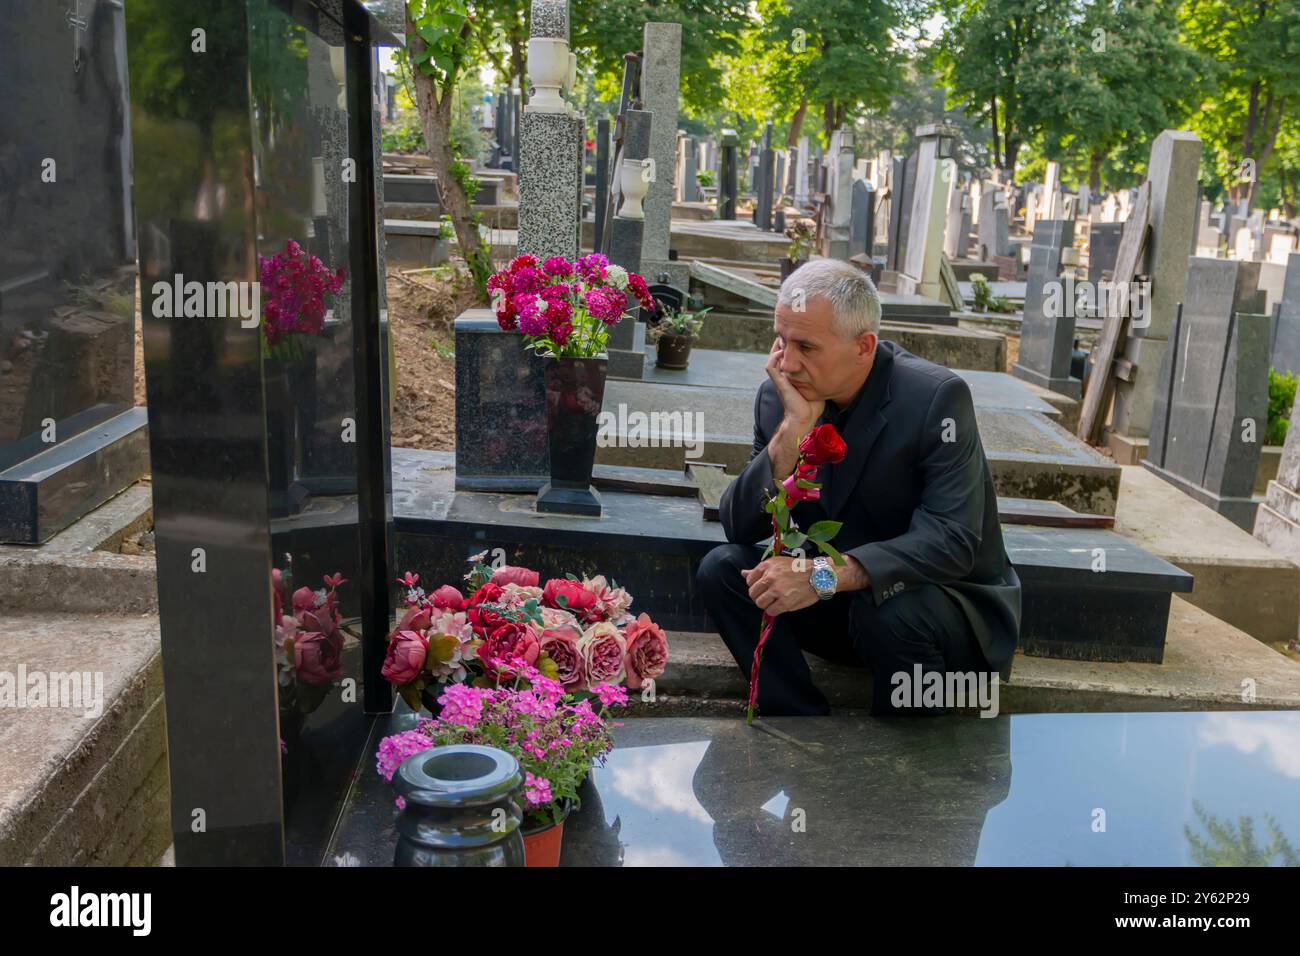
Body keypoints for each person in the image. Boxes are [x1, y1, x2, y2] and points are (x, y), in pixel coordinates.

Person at [696, 259, 1020, 717]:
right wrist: (792, 431)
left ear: (864, 346)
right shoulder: (781, 395)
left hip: (935, 610)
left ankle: (905, 755)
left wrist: (822, 576)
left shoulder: (935, 399)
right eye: (781, 340)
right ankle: (796, 720)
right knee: (724, 570)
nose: (787, 363)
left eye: (807, 346)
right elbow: (738, 525)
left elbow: (952, 541)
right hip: (840, 603)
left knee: (889, 610)